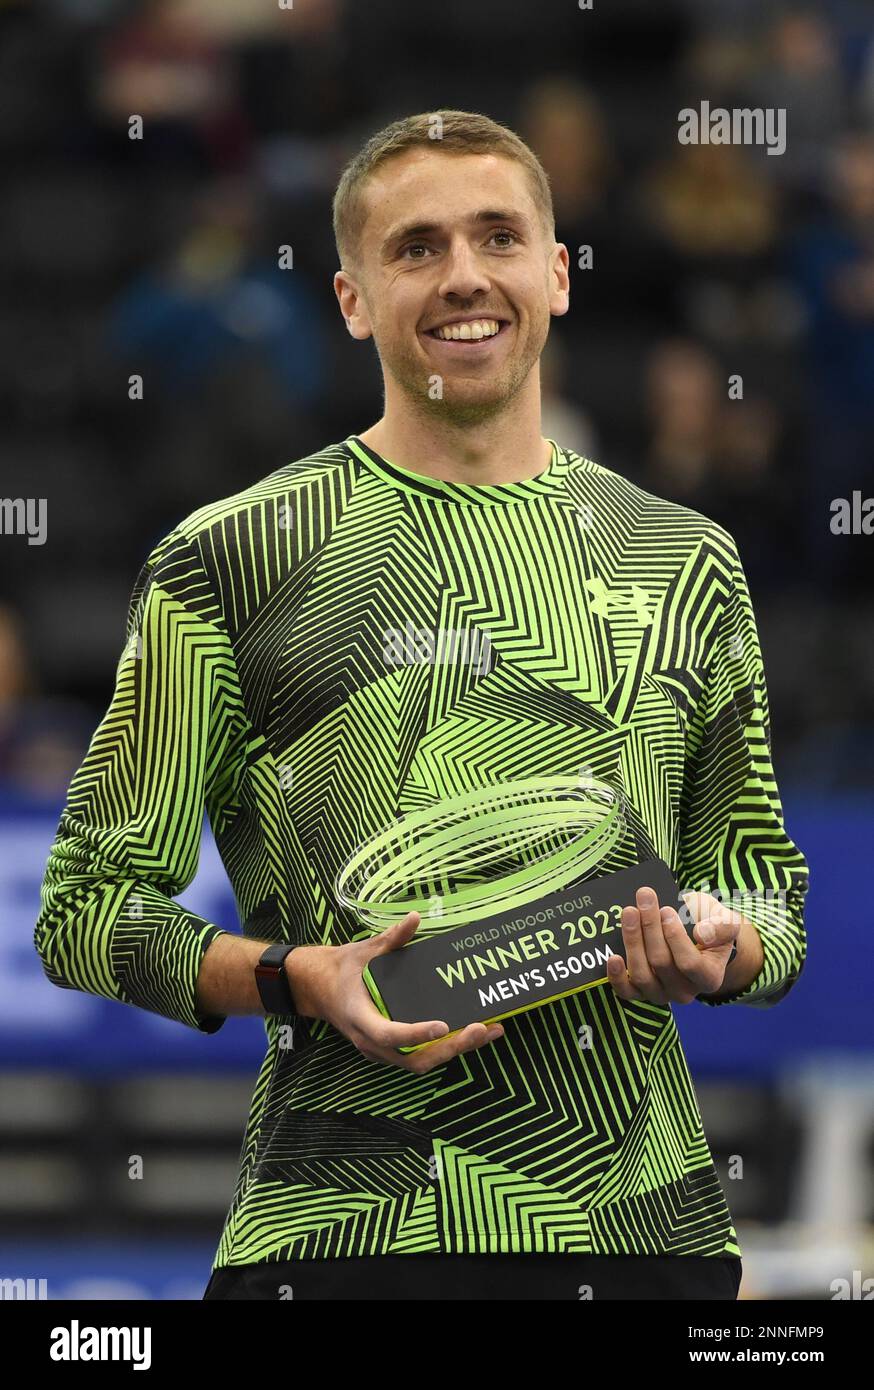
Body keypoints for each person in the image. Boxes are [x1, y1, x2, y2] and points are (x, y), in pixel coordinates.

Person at [35, 109, 808, 1301]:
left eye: (498, 236)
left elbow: (768, 892)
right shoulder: (229, 557)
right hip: (340, 1239)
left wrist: (717, 950)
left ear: (553, 274)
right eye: (416, 247)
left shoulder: (681, 556)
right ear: (350, 298)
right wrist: (298, 978)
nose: (463, 277)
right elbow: (84, 910)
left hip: (632, 1233)